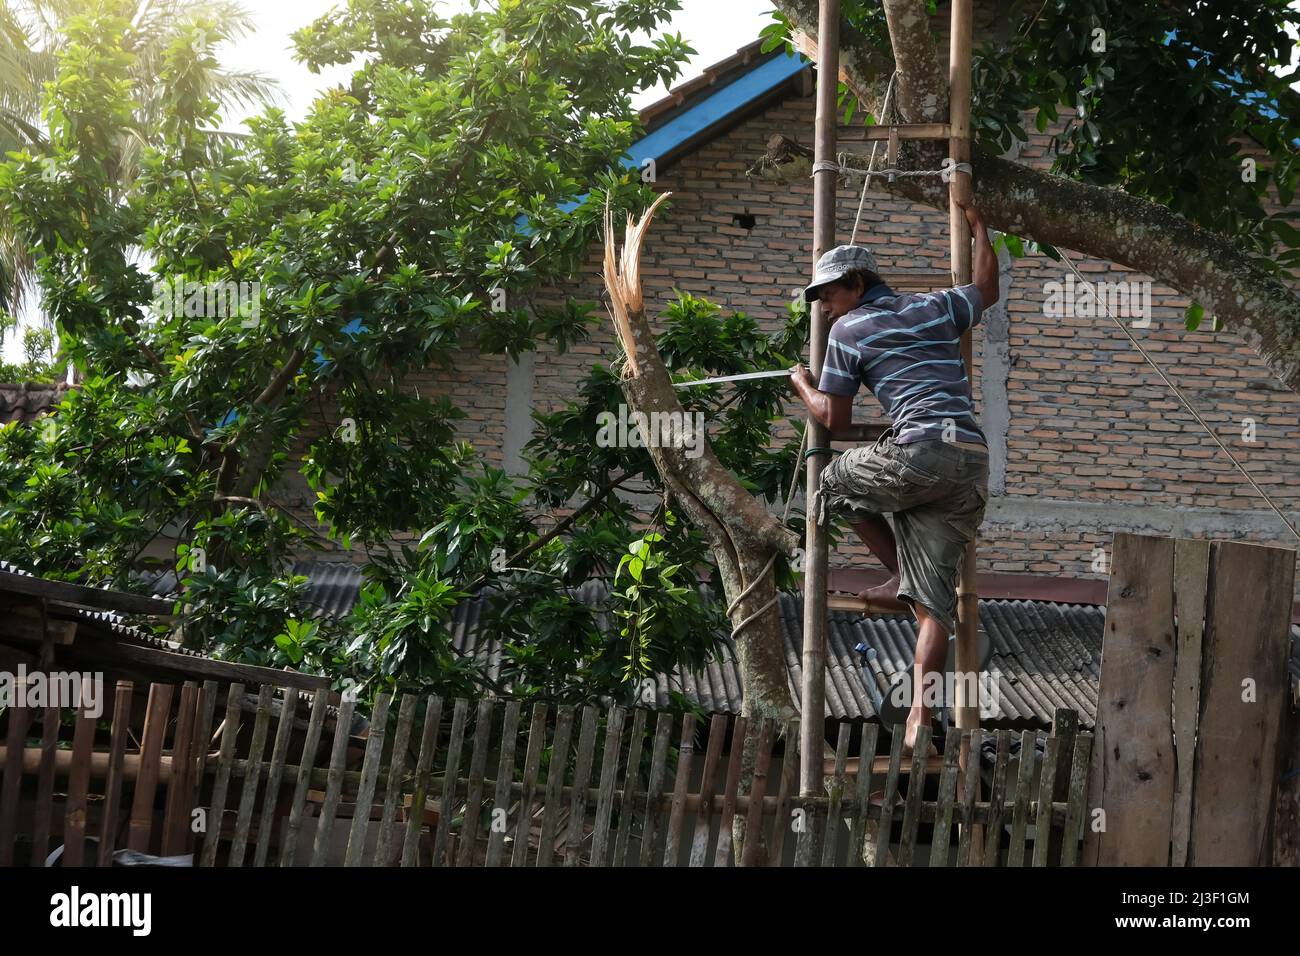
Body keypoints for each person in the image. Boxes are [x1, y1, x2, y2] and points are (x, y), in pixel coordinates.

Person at [789, 198, 998, 755]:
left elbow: (834, 421)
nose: (827, 309)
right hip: (970, 461)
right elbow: (986, 290)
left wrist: (801, 384)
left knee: (831, 484)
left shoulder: (850, 331)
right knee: (935, 609)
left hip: (921, 452)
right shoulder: (935, 307)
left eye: (829, 295)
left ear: (856, 283)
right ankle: (919, 717)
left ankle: (896, 573)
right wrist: (981, 230)